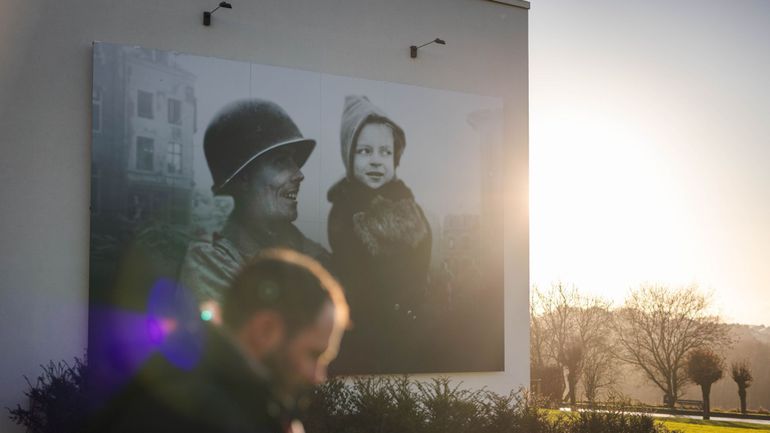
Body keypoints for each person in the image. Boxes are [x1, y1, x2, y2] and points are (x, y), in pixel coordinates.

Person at [88, 249, 349, 433]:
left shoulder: (178, 392)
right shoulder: (206, 417)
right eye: (314, 355)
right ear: (266, 329)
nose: (319, 376)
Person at [179, 99, 330, 319]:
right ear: (243, 179)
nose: (299, 175)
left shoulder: (314, 254)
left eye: (294, 161)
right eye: (280, 162)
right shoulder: (209, 262)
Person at [326, 95, 431, 373]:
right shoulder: (346, 210)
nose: (376, 161)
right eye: (364, 151)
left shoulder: (408, 203)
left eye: (385, 152)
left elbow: (422, 260)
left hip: (413, 327)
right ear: (349, 156)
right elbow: (359, 279)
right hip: (370, 334)